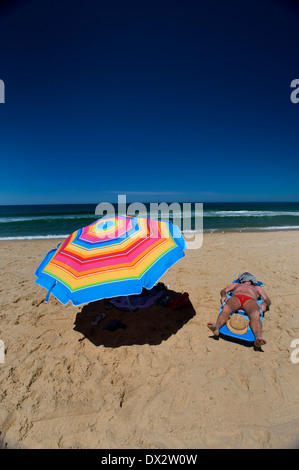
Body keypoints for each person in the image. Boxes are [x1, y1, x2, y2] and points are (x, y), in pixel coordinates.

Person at [207, 272, 271, 348]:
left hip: (250, 300)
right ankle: (217, 327)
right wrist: (224, 296)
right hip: (236, 297)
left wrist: (264, 304)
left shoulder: (257, 288)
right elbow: (223, 291)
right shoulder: (236, 284)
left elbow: (267, 300)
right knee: (227, 308)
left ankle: (257, 338)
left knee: (255, 313)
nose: (247, 277)